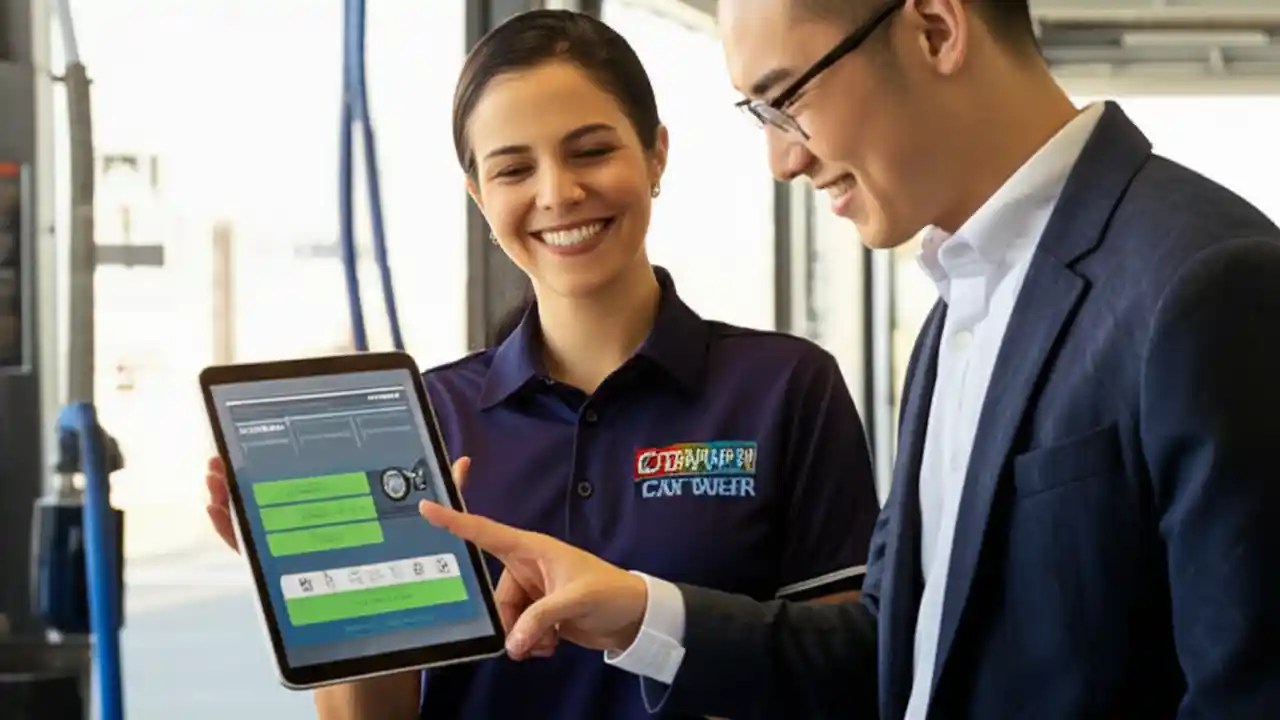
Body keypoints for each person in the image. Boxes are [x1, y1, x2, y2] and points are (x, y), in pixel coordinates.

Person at [419, 0, 1280, 718]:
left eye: (785, 97)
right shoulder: (956, 315)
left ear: (937, 28)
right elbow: (896, 645)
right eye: (759, 117)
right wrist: (641, 612)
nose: (783, 157)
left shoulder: (1207, 281)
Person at [204, 9, 880, 720]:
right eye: (514, 168)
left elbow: (844, 674)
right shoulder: (428, 419)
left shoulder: (783, 389)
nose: (557, 193)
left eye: (590, 151)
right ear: (480, 197)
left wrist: (651, 621)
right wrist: (325, 597)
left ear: (656, 155)